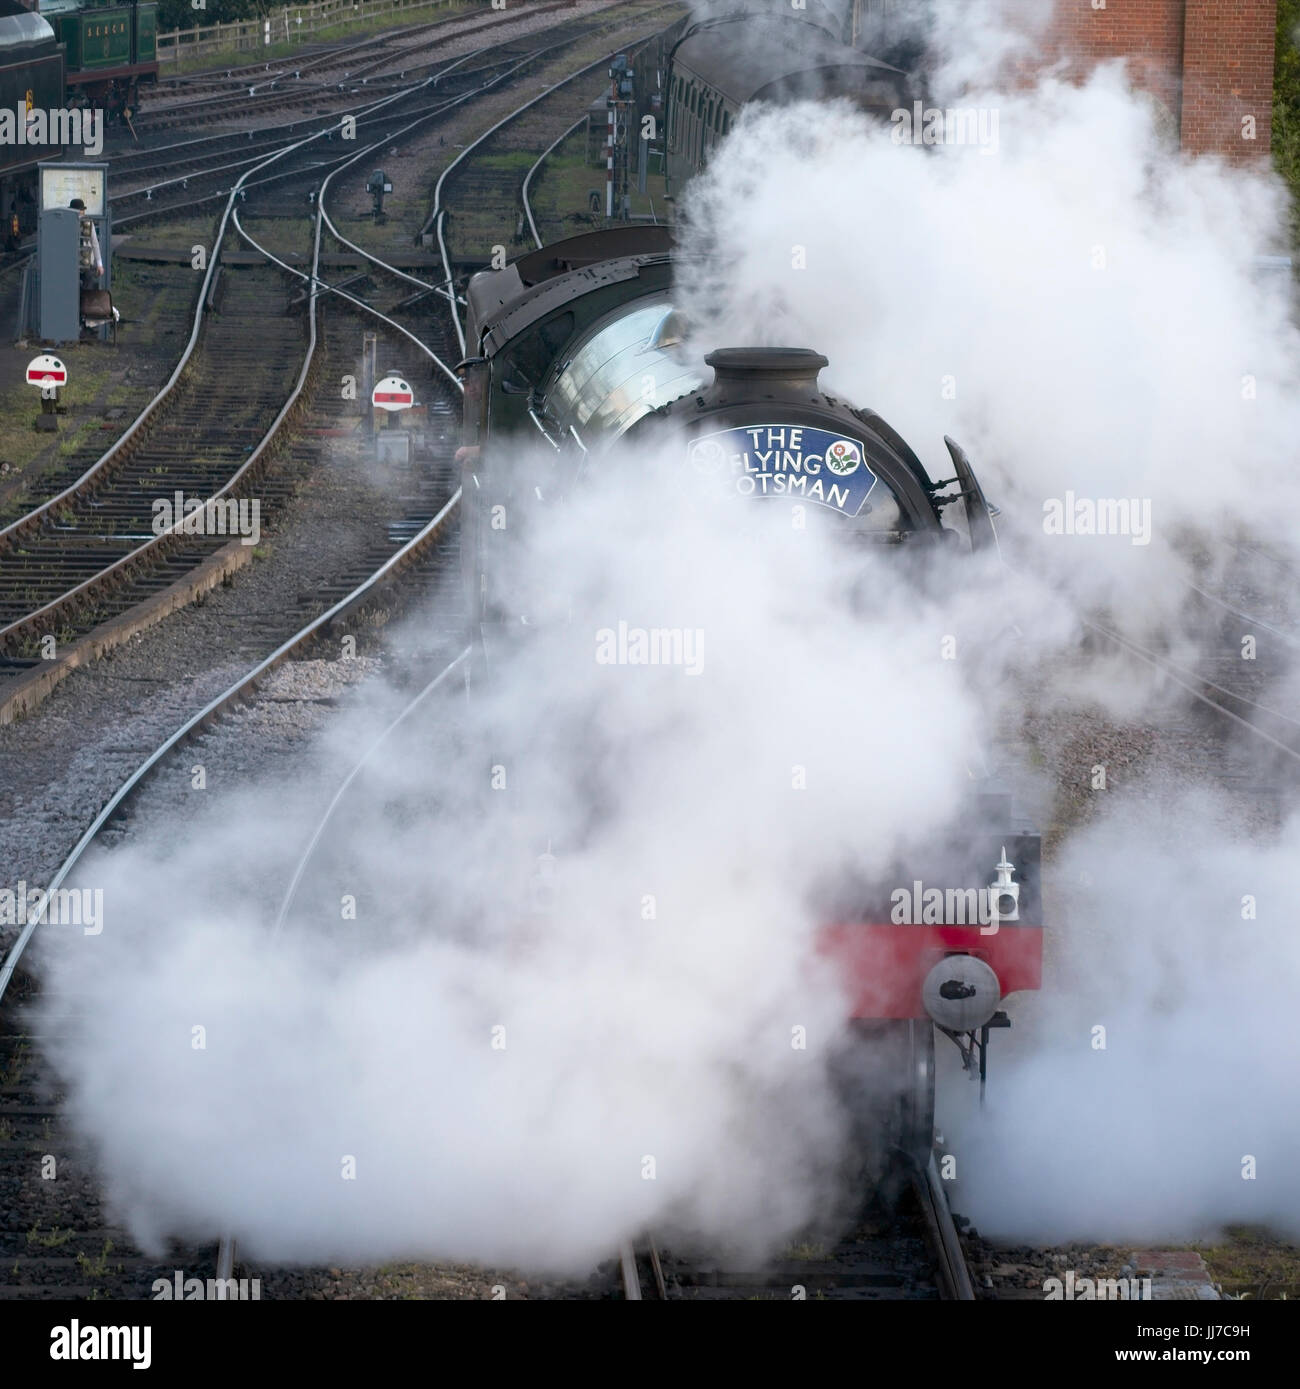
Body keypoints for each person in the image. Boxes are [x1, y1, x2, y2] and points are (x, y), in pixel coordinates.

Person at [69, 197, 102, 288]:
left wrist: (99, 264)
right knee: (88, 282)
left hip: (79, 263)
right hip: (80, 263)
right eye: (81, 210)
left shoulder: (87, 224)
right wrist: (99, 265)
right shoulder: (85, 224)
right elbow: (95, 243)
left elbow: (95, 243)